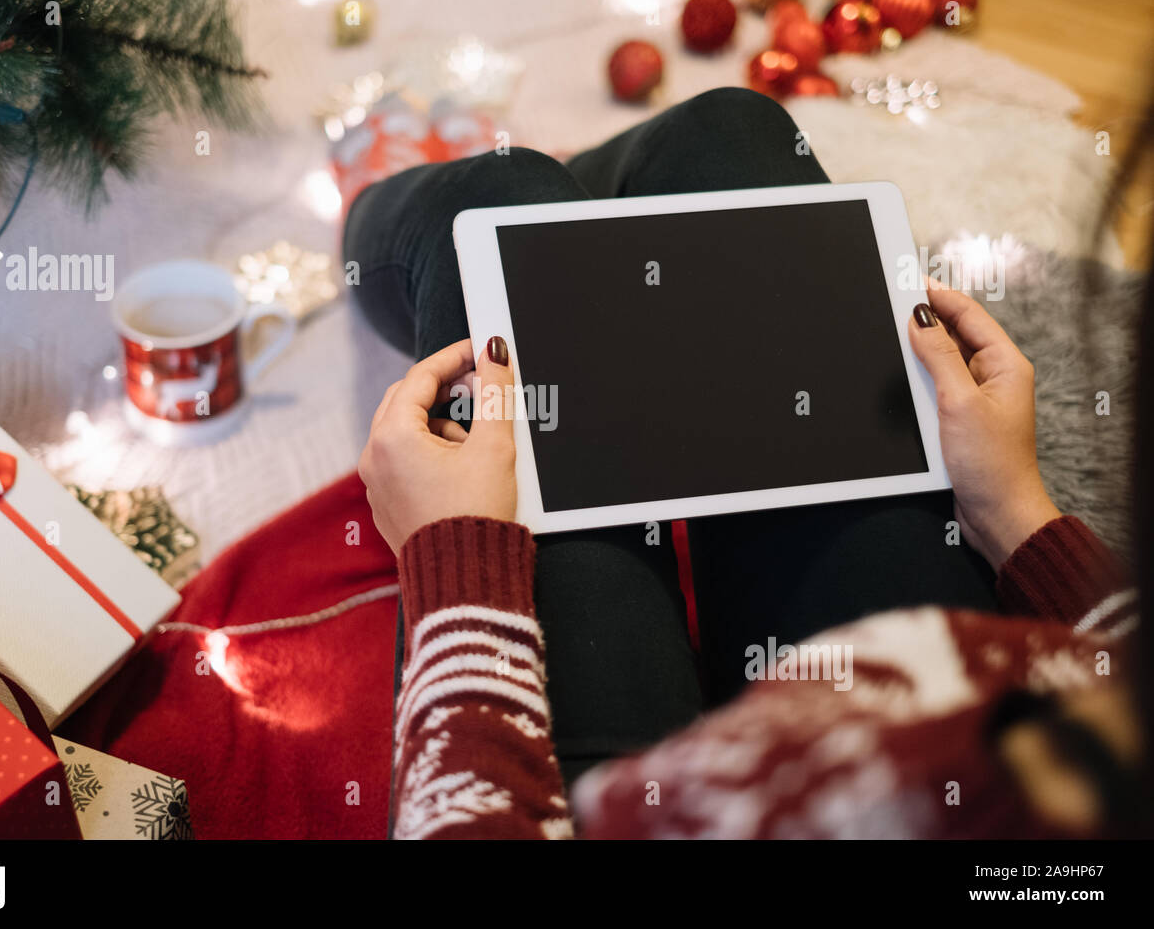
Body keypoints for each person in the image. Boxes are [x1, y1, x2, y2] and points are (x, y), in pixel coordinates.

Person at [344, 88, 1145, 838]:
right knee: (729, 129)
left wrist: (454, 565)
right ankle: (568, 217)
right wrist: (1017, 514)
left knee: (496, 191)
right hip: (946, 740)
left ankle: (503, 209)